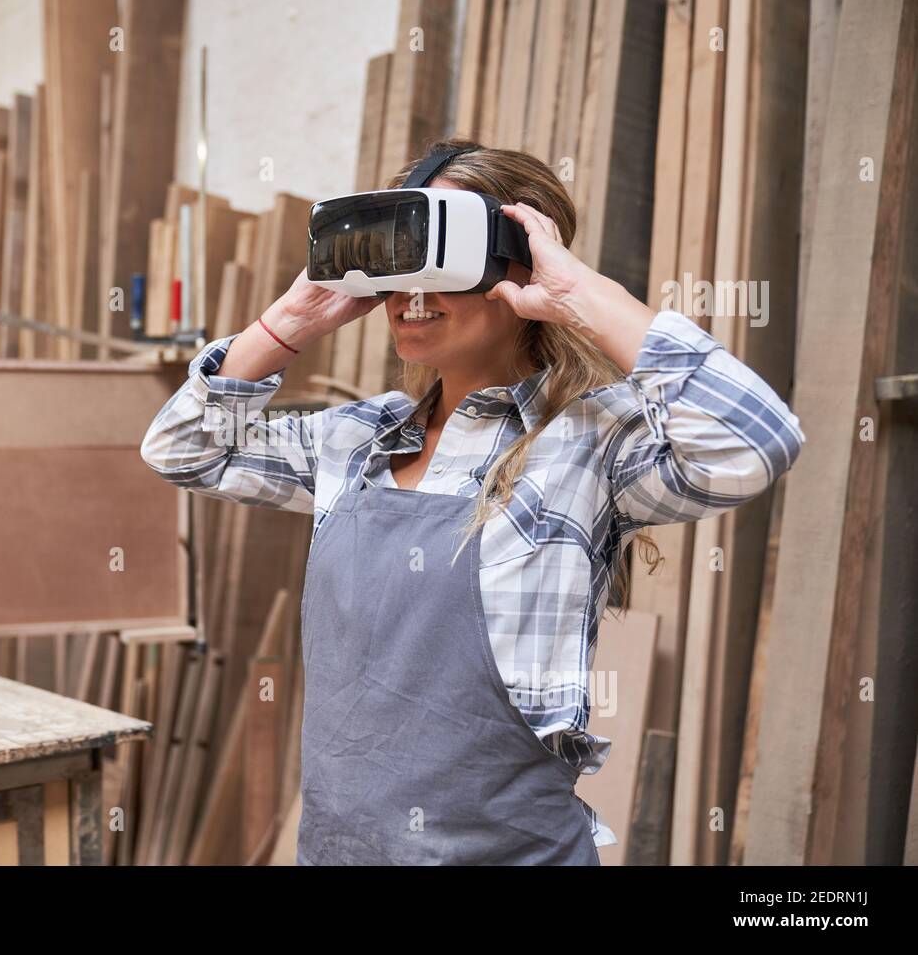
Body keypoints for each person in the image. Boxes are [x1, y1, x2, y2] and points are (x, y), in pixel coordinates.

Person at [139, 139, 806, 865]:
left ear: (521, 260)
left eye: (442, 255)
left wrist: (578, 294)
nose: (413, 293)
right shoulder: (356, 442)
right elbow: (184, 449)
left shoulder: (588, 443)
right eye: (396, 262)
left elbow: (754, 440)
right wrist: (292, 320)